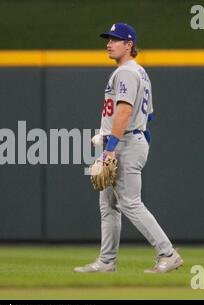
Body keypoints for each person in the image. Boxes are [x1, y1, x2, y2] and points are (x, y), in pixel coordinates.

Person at [74, 23, 184, 273]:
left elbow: (124, 111)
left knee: (130, 203)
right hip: (127, 140)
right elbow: (149, 116)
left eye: (115, 39)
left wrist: (111, 148)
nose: (108, 43)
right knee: (109, 206)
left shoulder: (126, 72)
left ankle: (168, 253)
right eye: (108, 39)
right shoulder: (140, 73)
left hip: (123, 144)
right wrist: (123, 138)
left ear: (129, 44)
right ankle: (106, 261)